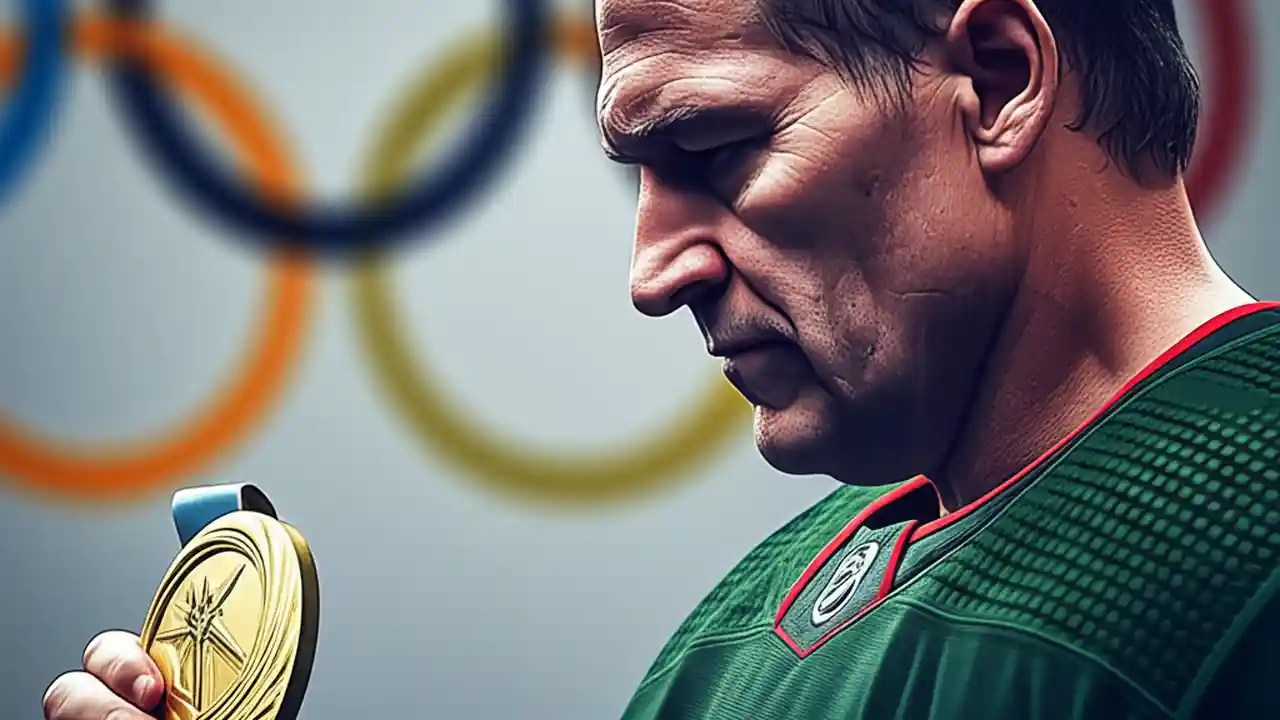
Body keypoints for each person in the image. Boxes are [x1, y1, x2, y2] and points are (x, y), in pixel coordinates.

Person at [40, 0, 1279, 718]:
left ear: (997, 79)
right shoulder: (737, 631)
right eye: (639, 174)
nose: (650, 275)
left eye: (714, 148)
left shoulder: (1248, 540)